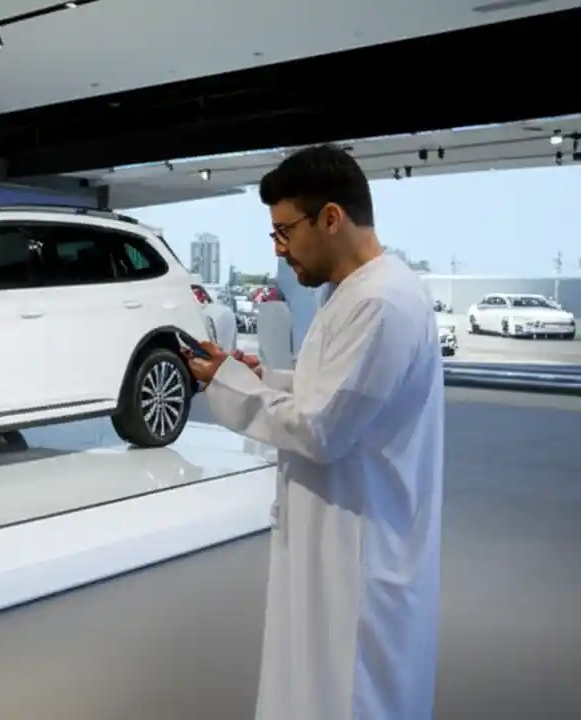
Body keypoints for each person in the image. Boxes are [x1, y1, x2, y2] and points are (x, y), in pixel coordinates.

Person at [184, 144, 445, 720]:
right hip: (334, 538)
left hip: (358, 554)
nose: (279, 249)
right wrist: (261, 376)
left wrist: (231, 385)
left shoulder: (381, 302)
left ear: (330, 218)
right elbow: (329, 388)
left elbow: (322, 427)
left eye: (284, 231)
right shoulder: (356, 293)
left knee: (348, 696)